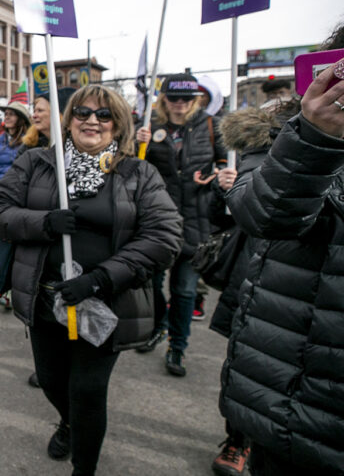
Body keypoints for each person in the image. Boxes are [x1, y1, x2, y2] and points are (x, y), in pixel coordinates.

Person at [0, 85, 182, 476]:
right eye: (83, 112)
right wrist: (42, 222)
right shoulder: (38, 162)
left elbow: (165, 236)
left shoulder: (138, 172)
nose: (93, 120)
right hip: (46, 298)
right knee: (51, 380)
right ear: (69, 119)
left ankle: (84, 467)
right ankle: (69, 422)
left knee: (88, 390)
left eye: (104, 115)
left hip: (105, 302)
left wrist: (100, 280)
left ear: (118, 124)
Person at [218, 50, 344, 476]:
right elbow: (261, 214)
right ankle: (237, 441)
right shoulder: (285, 130)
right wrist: (315, 139)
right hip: (300, 372)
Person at [201, 100, 299, 476]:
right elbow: (228, 219)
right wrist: (227, 190)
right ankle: (238, 441)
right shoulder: (260, 151)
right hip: (259, 277)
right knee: (251, 368)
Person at [135, 73, 226, 375]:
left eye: (187, 99)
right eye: (174, 98)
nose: (180, 104)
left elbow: (228, 165)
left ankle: (178, 347)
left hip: (197, 222)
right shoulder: (151, 126)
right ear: (164, 99)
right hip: (159, 221)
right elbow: (135, 169)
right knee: (151, 283)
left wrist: (218, 178)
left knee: (185, 291)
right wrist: (138, 143)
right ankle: (158, 326)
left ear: (196, 100)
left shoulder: (212, 126)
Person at [0, 101, 32, 309]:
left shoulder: (30, 141)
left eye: (12, 114)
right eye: (6, 113)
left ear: (21, 119)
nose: (7, 117)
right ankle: (4, 287)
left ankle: (15, 288)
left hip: (21, 199)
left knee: (17, 247)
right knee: (0, 245)